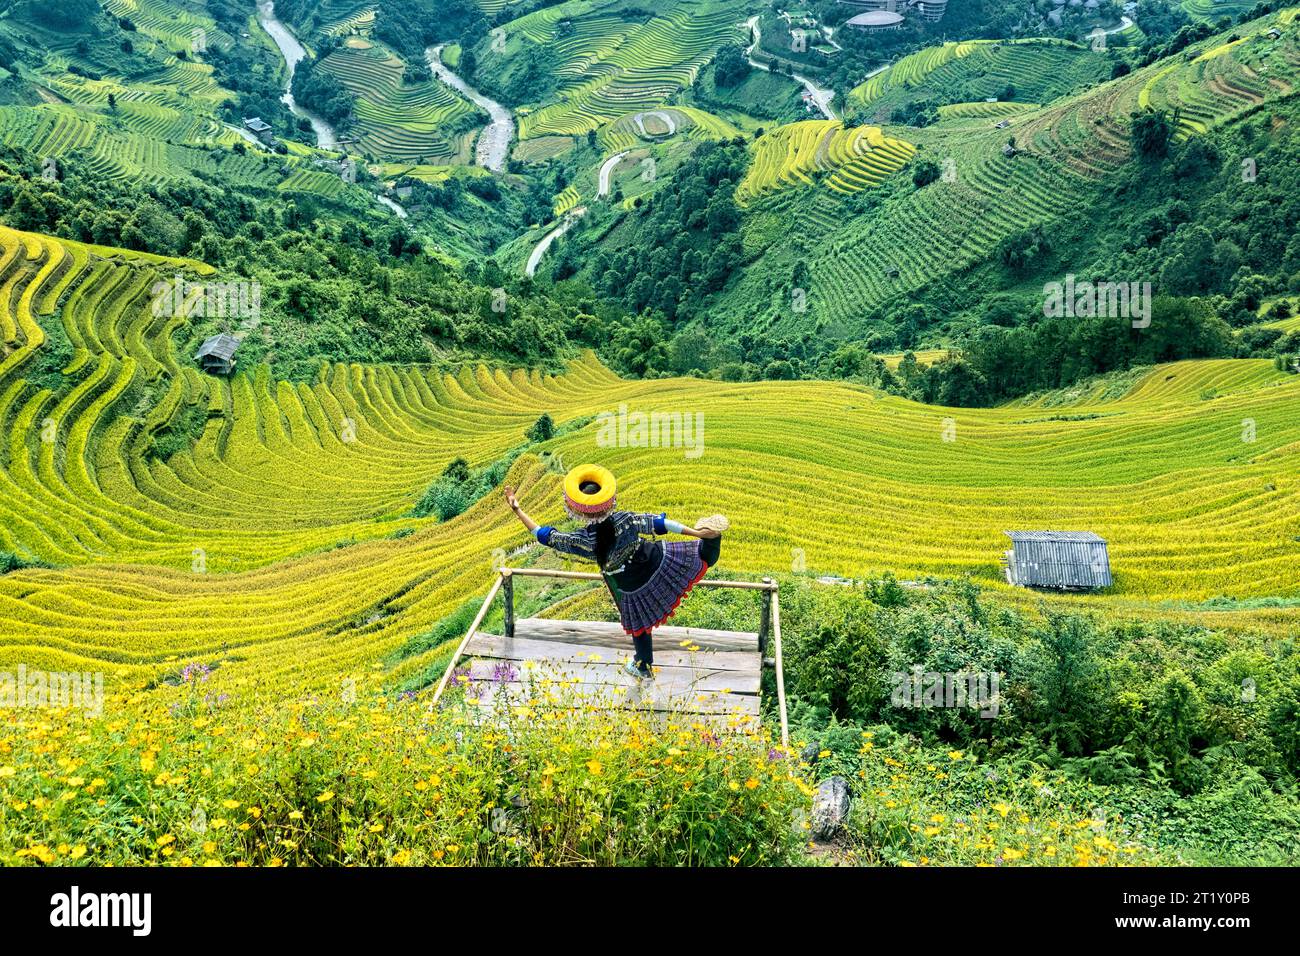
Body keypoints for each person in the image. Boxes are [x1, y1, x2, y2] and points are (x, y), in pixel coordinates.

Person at [504, 464, 727, 679]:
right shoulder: (625, 518)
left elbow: (545, 536)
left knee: (639, 624)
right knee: (697, 556)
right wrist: (697, 533)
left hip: (629, 582)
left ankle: (643, 666)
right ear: (607, 500)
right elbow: (659, 524)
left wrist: (517, 510)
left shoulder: (584, 541)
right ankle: (712, 539)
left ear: (576, 510)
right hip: (654, 560)